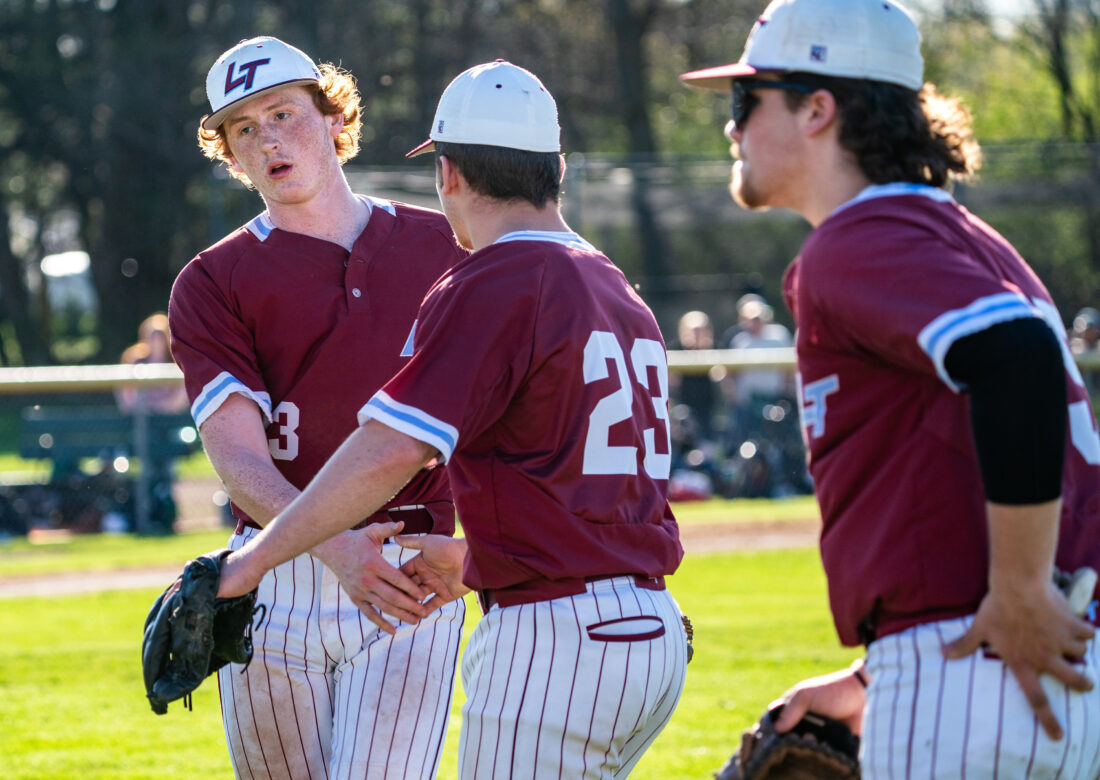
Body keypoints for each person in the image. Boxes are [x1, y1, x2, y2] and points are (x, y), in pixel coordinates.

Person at [213, 60, 689, 779]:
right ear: (556, 169)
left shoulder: (494, 278)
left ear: (450, 174)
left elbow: (391, 450)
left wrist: (248, 563)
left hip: (554, 638)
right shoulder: (614, 283)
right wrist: (473, 561)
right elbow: (578, 496)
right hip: (648, 631)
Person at [681, 0, 1100, 775]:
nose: (732, 128)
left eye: (746, 99)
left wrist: (1017, 590)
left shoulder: (858, 241)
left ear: (817, 109)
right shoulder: (972, 243)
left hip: (979, 667)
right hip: (1035, 660)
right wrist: (872, 676)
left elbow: (1019, 361)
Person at [168, 37, 467, 779]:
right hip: (275, 570)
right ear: (231, 155)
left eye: (284, 114)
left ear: (335, 117)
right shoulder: (211, 281)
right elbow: (237, 456)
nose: (268, 139)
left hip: (411, 564)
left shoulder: (447, 245)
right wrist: (330, 541)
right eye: (244, 128)